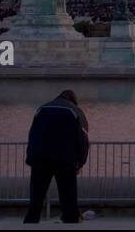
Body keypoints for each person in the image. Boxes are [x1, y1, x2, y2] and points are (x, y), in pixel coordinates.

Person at [23, 89, 89, 224]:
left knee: (36, 200)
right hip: (65, 161)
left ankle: (30, 224)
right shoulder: (75, 111)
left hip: (40, 159)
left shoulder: (42, 109)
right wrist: (80, 162)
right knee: (68, 200)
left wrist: (31, 157)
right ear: (73, 100)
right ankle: (70, 223)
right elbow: (83, 140)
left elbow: (32, 134)